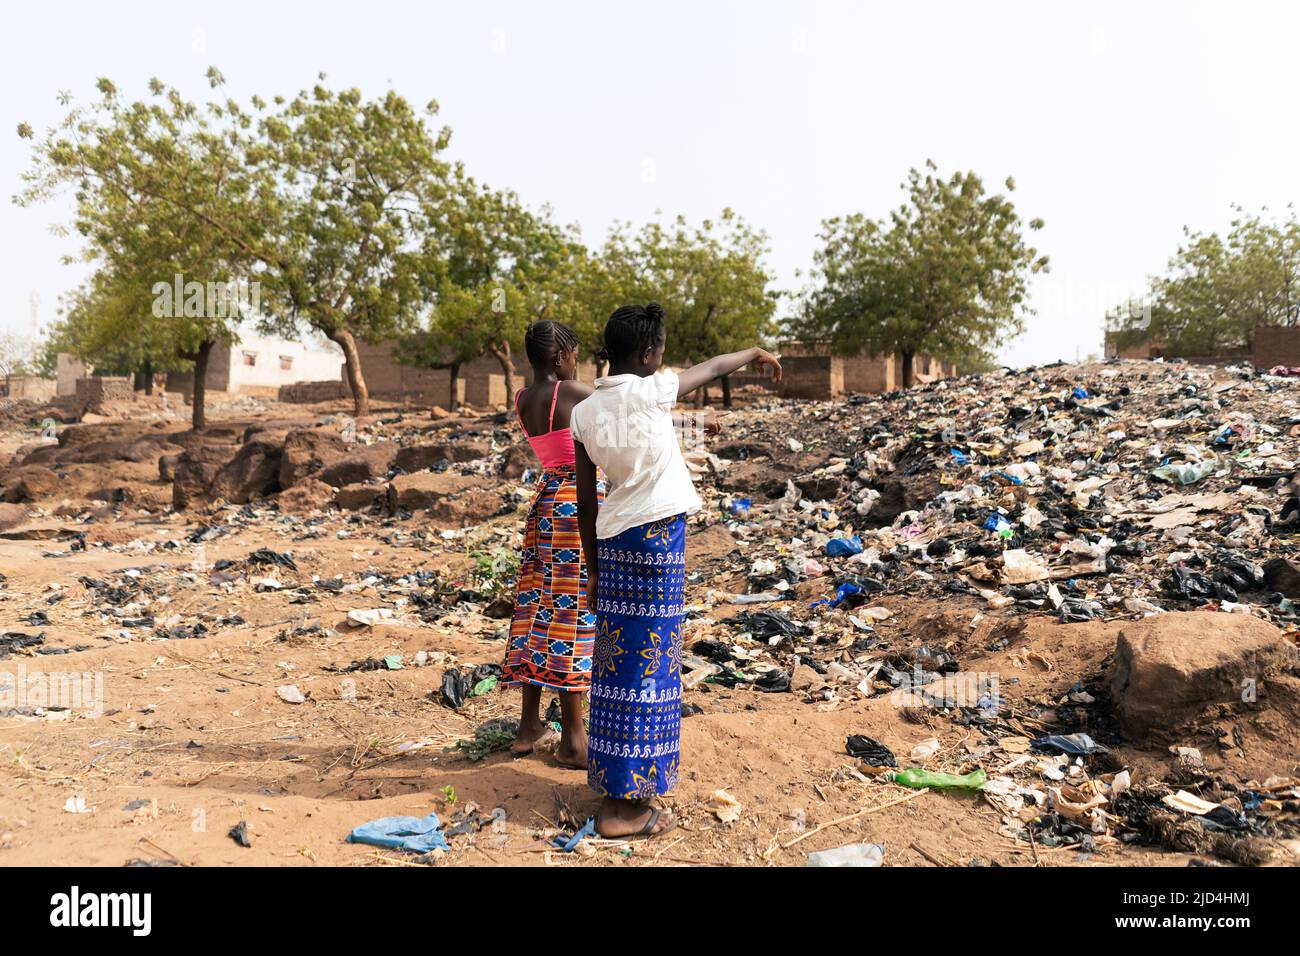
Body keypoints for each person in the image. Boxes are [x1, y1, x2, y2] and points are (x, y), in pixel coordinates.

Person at [570, 303, 781, 837]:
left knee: (617, 660)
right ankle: (626, 809)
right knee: (653, 665)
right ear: (647, 353)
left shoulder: (584, 412)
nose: (664, 358)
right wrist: (754, 351)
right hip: (657, 539)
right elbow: (711, 368)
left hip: (612, 541)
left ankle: (615, 783)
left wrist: (592, 570)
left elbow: (587, 500)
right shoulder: (652, 390)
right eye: (661, 350)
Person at [502, 320, 599, 769]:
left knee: (538, 608)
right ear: (560, 358)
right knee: (570, 614)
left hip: (543, 506)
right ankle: (574, 739)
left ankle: (528, 726)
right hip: (573, 506)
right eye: (574, 355)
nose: (576, 363)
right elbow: (624, 415)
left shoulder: (523, 400)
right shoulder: (572, 392)